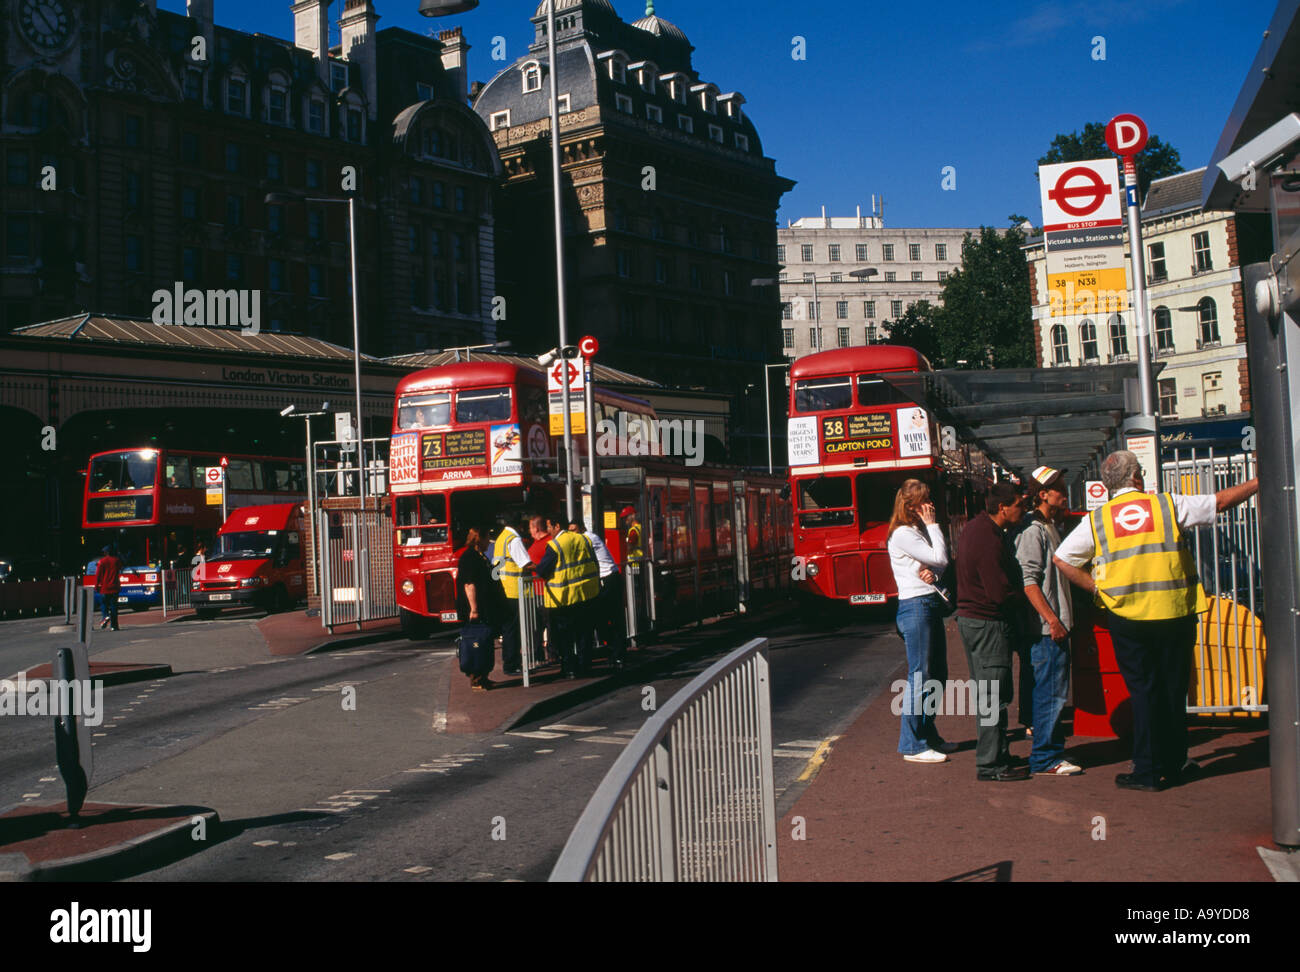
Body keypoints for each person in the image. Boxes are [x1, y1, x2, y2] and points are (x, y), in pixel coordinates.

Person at [1053, 450, 1258, 791]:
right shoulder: (1166, 506)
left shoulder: (1098, 520)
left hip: (1128, 617)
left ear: (1107, 486)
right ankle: (1176, 763)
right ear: (1136, 478)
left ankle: (1147, 771)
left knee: (1144, 692)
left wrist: (1098, 589)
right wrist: (1258, 481)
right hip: (1175, 613)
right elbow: (1219, 503)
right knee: (1174, 690)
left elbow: (1063, 559)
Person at [955, 481, 1028, 781]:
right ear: (1003, 508)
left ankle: (997, 753)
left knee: (989, 692)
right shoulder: (989, 538)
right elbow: (998, 592)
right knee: (992, 695)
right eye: (1019, 505)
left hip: (972, 620)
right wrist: (1023, 600)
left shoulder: (977, 528)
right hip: (988, 624)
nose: (1023, 511)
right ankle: (990, 764)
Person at [1014, 466, 1082, 777]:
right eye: (1059, 489)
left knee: (1053, 691)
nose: (1064, 494)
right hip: (1047, 630)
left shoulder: (1048, 526)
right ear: (1042, 494)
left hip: (1054, 626)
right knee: (1050, 692)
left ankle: (1050, 750)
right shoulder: (1033, 531)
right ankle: (1045, 758)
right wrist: (1053, 620)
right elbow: (1029, 582)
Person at [886, 479, 956, 764]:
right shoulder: (903, 533)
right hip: (915, 607)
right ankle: (912, 744)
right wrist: (934, 525)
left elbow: (934, 566)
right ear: (911, 507)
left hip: (926, 603)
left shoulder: (914, 531)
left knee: (937, 674)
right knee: (920, 676)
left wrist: (934, 575)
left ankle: (928, 734)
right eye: (925, 501)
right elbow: (941, 556)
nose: (931, 506)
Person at [537, 516, 600, 678]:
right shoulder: (582, 539)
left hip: (563, 598)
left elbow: (542, 570)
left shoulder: (555, 545)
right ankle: (585, 666)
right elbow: (594, 562)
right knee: (584, 633)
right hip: (587, 594)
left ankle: (570, 669)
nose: (548, 531)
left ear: (557, 526)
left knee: (565, 637)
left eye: (549, 527)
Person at [456, 526, 500, 692]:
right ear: (479, 539)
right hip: (475, 608)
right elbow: (469, 584)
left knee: (485, 641)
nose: (489, 541)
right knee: (476, 642)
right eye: (487, 537)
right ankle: (477, 679)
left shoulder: (480, 556)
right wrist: (474, 609)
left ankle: (484, 677)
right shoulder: (469, 557)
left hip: (484, 606)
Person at [492, 515, 535, 676]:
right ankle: (512, 665)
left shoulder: (501, 538)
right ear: (518, 525)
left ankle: (509, 662)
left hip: (504, 588)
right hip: (515, 590)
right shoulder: (514, 540)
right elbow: (526, 563)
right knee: (513, 630)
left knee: (508, 629)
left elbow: (496, 567)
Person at [584, 520, 626, 669]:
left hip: (608, 579)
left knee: (611, 618)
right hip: (604, 579)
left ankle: (618, 654)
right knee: (602, 618)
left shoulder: (588, 538)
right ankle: (614, 652)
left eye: (574, 529)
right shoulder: (588, 537)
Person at [527, 515, 554, 662]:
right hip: (540, 591)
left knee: (543, 626)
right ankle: (547, 655)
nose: (529, 530)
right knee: (543, 626)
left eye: (530, 527)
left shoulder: (546, 543)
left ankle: (548, 655)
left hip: (543, 591)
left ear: (536, 528)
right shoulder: (546, 542)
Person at [94, 545, 124, 631]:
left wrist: (96, 585)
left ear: (105, 552)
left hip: (105, 587)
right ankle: (114, 626)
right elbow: (120, 568)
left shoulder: (102, 562)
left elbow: (98, 575)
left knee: (104, 604)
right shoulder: (116, 561)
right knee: (114, 606)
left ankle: (105, 616)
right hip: (115, 587)